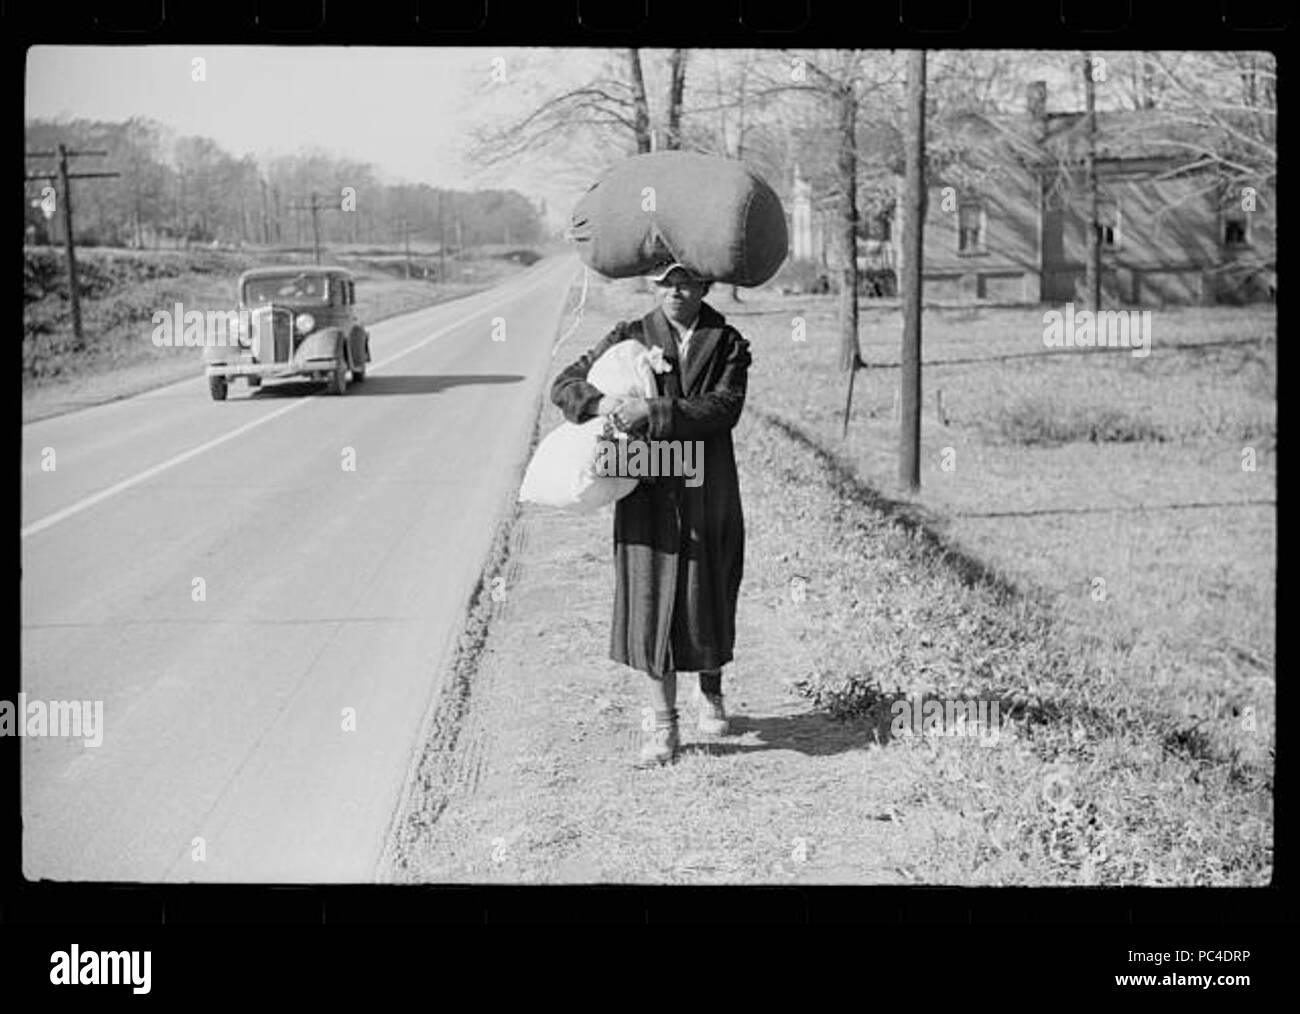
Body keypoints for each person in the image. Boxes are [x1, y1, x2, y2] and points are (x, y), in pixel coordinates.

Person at [551, 261, 752, 768]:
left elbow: (725, 407)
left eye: (686, 281)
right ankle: (663, 726)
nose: (676, 291)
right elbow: (566, 384)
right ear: (653, 285)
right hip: (647, 483)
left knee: (708, 588)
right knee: (651, 596)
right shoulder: (631, 335)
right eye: (666, 281)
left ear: (705, 285)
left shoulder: (728, 343)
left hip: (707, 480)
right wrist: (603, 404)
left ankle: (710, 688)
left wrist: (656, 413)